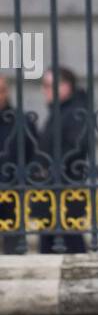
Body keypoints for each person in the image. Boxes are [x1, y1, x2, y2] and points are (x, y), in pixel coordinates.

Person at [38, 67, 89, 253]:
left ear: (66, 86)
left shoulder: (76, 112)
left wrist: (49, 168)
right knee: (52, 241)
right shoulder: (59, 111)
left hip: (66, 188)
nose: (45, 90)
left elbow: (74, 147)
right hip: (52, 190)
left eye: (49, 85)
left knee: (70, 242)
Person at [0, 75, 38, 255]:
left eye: (0, 90)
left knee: (14, 247)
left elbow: (34, 154)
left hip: (14, 191)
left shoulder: (21, 121)